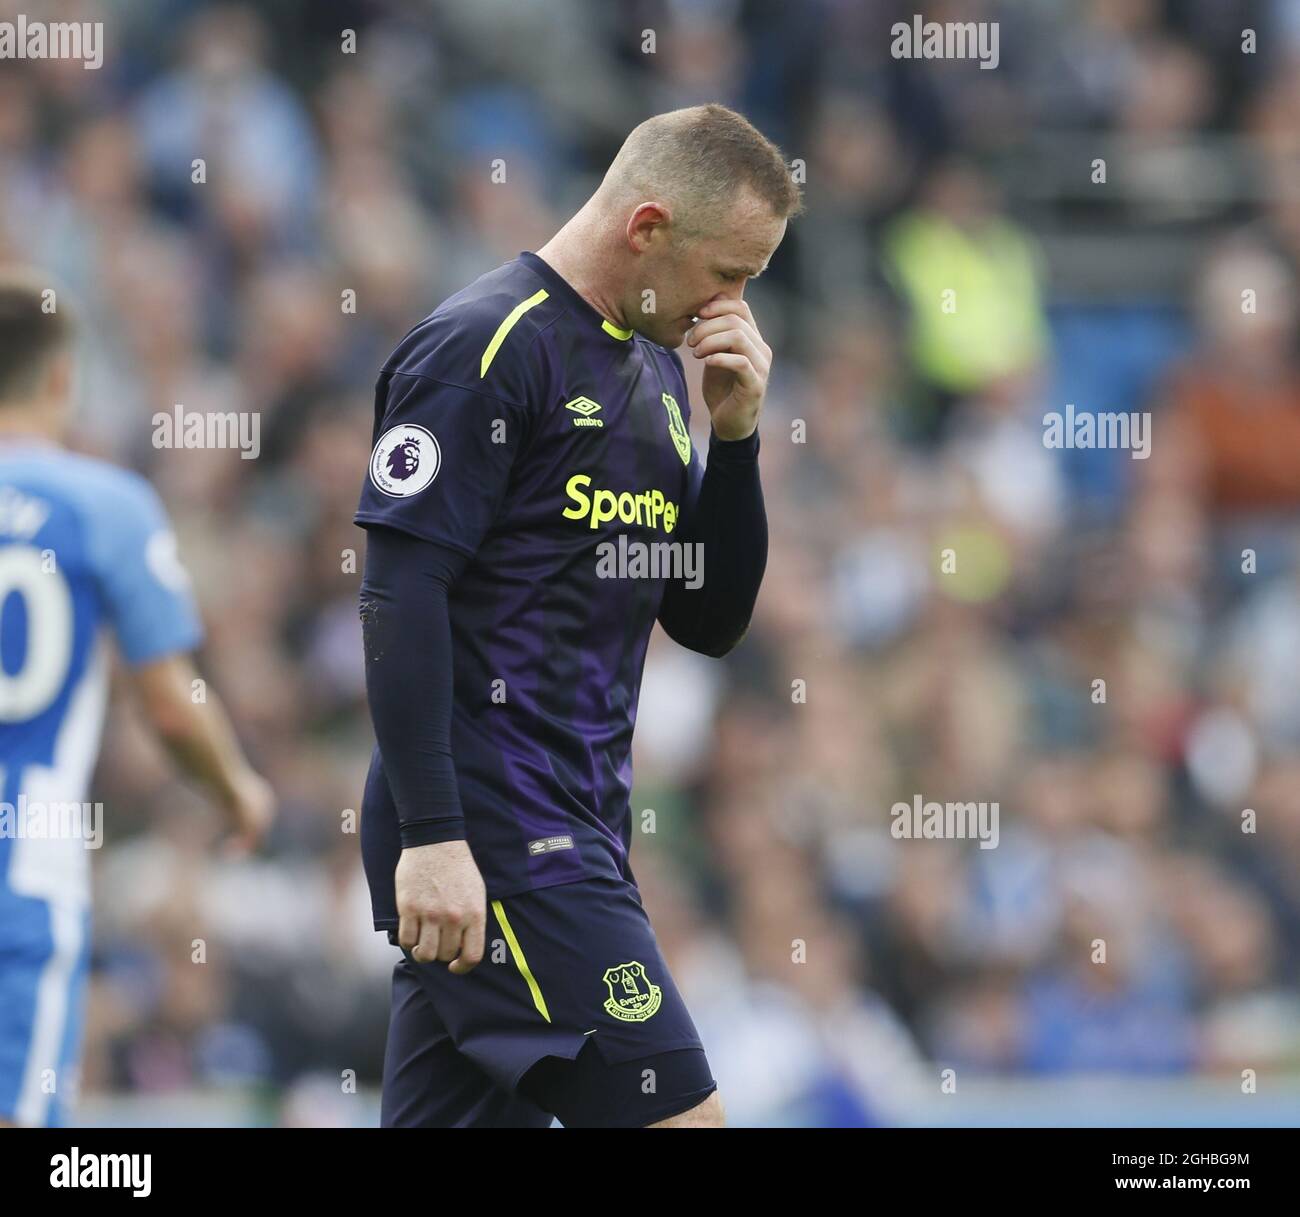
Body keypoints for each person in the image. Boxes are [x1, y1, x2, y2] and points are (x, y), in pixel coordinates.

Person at [356, 103, 800, 1127]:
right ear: (647, 228)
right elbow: (398, 589)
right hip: (500, 830)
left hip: (577, 820)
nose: (732, 305)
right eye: (728, 273)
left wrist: (733, 442)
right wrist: (434, 834)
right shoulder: (483, 343)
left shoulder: (649, 368)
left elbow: (704, 613)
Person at [0, 270, 275, 1127]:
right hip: (25, 868)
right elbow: (169, 702)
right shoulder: (103, 506)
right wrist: (238, 787)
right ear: (59, 378)